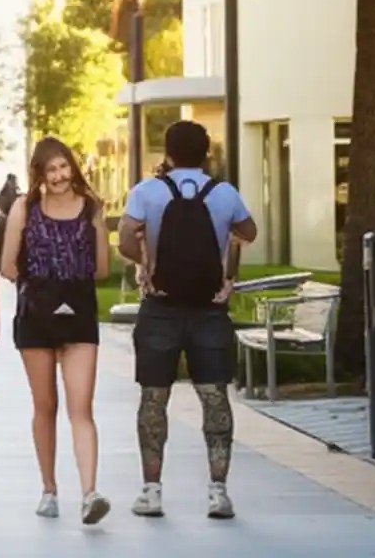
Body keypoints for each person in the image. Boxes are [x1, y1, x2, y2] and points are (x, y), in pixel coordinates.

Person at [117, 120, 257, 519]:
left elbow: (126, 237)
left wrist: (144, 264)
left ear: (168, 154)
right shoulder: (225, 194)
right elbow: (247, 232)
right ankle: (218, 492)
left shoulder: (147, 192)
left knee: (153, 397)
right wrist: (229, 274)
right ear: (206, 153)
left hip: (160, 307)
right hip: (209, 309)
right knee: (214, 396)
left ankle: (151, 490)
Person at [0, 138, 111, 524]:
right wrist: (49, 277)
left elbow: (103, 269)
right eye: (52, 169)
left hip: (79, 315)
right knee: (45, 405)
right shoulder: (24, 208)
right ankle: (49, 488)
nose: (60, 175)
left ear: (73, 167)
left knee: (82, 408)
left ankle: (89, 493)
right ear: (39, 174)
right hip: (36, 317)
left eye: (64, 167)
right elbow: (7, 265)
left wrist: (61, 272)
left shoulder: (92, 207)